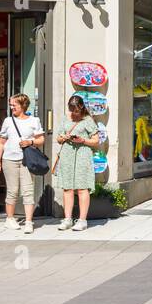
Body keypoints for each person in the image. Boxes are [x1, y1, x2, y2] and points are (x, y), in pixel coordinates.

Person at [0, 93, 44, 234]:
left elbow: (41, 140)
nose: (11, 108)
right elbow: (1, 142)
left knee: (28, 191)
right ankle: (9, 219)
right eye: (11, 105)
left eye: (14, 105)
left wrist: (30, 142)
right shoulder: (8, 121)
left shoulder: (34, 121)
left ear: (23, 105)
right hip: (9, 160)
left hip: (27, 160)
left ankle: (29, 222)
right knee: (12, 191)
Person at [53, 95, 100, 231]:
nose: (74, 113)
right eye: (72, 110)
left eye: (77, 110)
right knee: (67, 187)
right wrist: (64, 137)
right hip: (67, 154)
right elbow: (58, 138)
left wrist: (83, 140)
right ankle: (67, 219)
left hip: (83, 155)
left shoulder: (88, 120)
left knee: (82, 187)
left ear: (81, 108)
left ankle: (82, 220)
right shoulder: (65, 118)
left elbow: (96, 141)